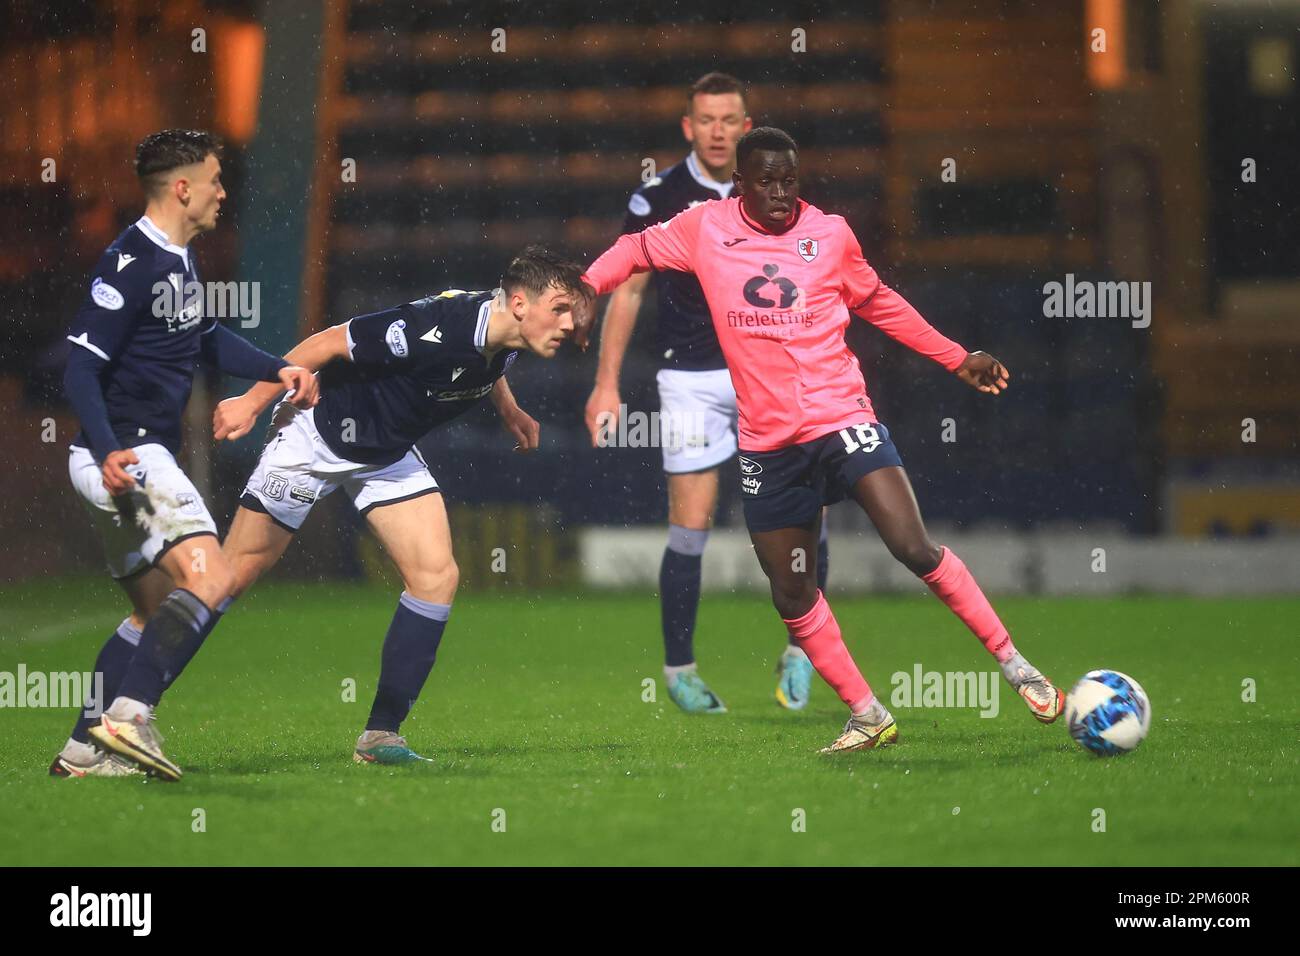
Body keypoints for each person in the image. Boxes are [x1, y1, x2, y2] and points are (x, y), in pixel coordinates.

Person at [580, 127, 1065, 753]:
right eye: (767, 182)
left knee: (912, 545)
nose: (781, 193)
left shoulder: (830, 235)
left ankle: (1014, 664)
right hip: (767, 446)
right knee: (791, 591)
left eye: (790, 180)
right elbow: (633, 250)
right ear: (740, 184)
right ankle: (867, 713)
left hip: (840, 420)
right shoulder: (705, 228)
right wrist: (585, 290)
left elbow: (880, 302)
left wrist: (955, 357)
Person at [211, 247, 590, 764]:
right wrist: (251, 403)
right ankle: (127, 707)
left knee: (436, 576)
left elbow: (490, 364)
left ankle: (381, 735)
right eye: (561, 309)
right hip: (315, 438)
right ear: (520, 304)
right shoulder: (432, 326)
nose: (570, 324)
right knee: (232, 576)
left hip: (386, 454)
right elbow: (325, 343)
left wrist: (510, 409)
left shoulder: (512, 331)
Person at [52, 129, 317, 779]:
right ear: (183, 188)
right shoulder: (133, 262)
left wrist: (278, 369)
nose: (224, 192)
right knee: (213, 577)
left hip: (120, 458)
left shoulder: (178, 257)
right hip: (129, 458)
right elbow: (78, 371)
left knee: (149, 612)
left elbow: (203, 337)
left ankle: (84, 748)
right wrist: (115, 452)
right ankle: (130, 716)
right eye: (216, 180)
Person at [584, 72, 822, 714]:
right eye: (706, 120)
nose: (718, 131)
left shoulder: (776, 196)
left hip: (768, 373)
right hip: (689, 378)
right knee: (690, 528)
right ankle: (680, 671)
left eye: (730, 120)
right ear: (689, 127)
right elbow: (628, 287)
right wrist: (606, 383)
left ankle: (803, 653)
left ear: (747, 127)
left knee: (803, 516)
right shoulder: (659, 196)